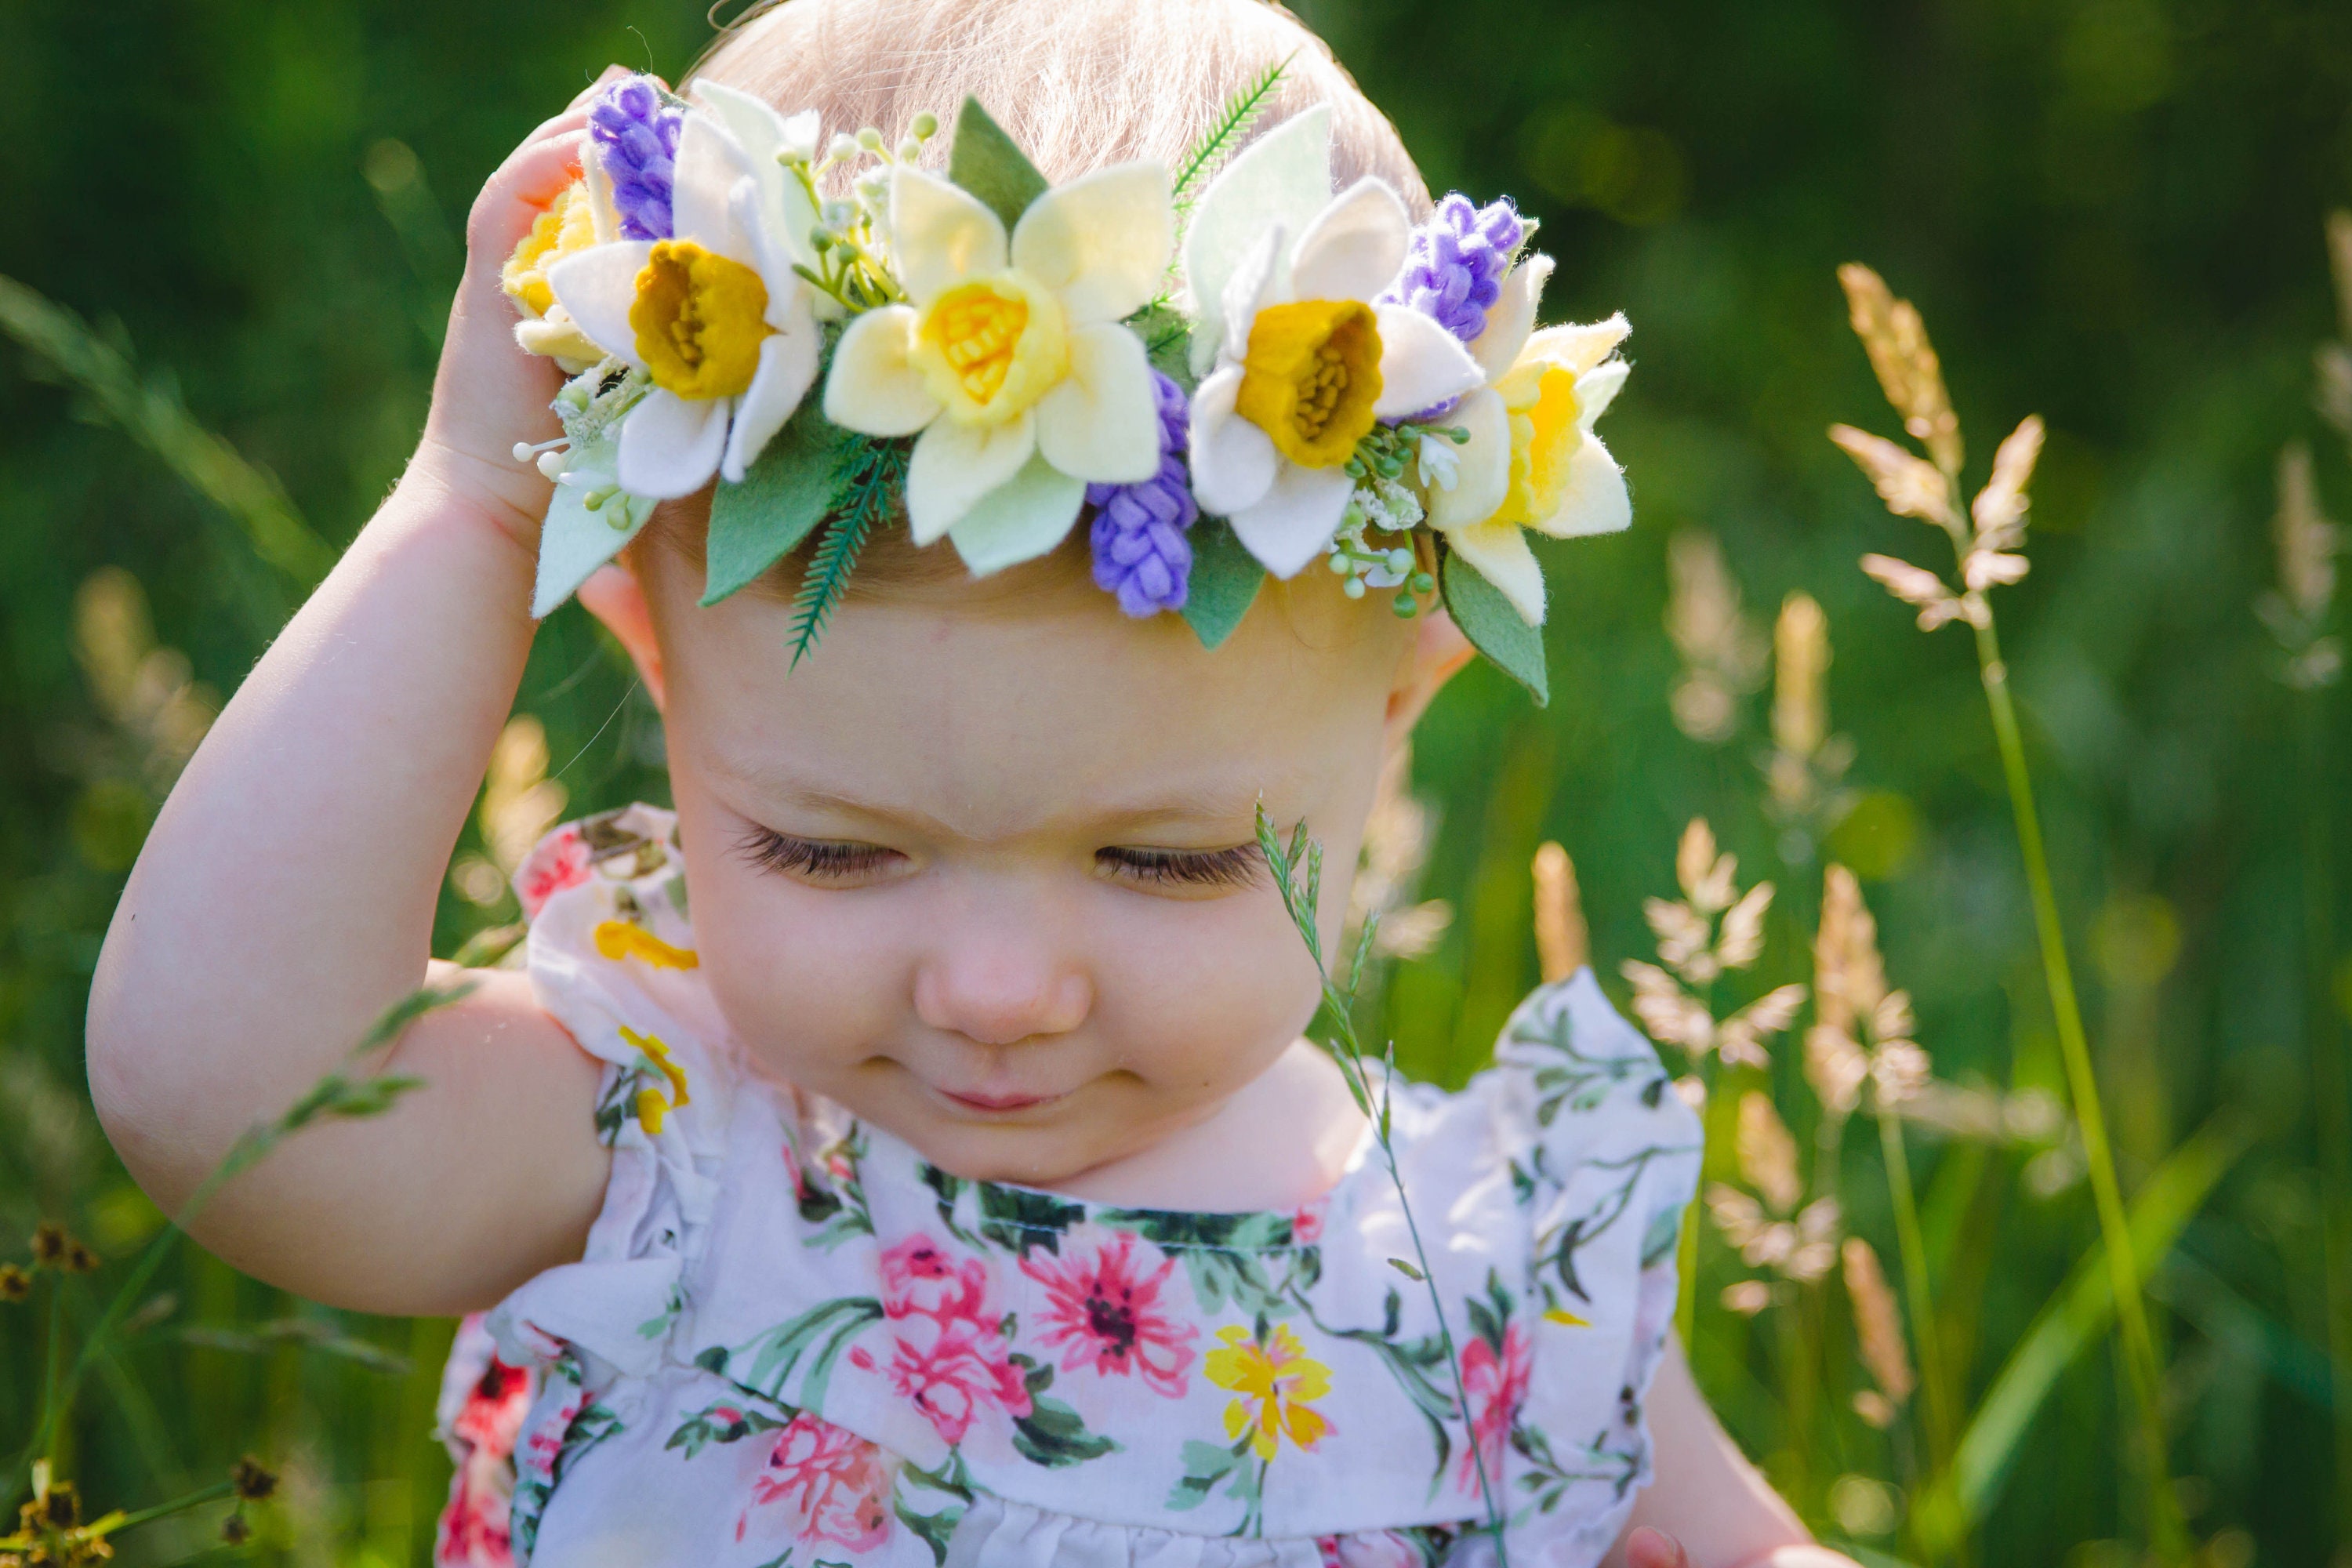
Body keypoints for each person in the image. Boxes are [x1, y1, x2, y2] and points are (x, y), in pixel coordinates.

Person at [87, 2, 1858, 1565]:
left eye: (1164, 863)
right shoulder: (676, 1150)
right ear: (660, 671)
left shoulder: (1502, 1281)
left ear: (1406, 693)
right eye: (831, 852)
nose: (997, 992)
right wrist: (479, 501)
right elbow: (223, 1093)